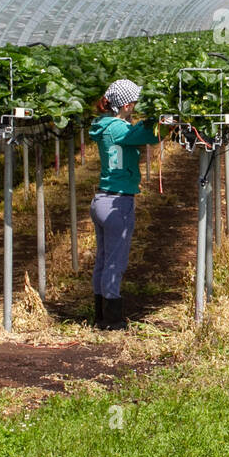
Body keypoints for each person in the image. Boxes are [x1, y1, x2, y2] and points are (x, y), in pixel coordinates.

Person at [87, 78, 166, 330]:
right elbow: (151, 136)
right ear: (128, 104)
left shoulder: (106, 126)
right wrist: (166, 121)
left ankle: (100, 314)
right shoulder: (119, 129)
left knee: (103, 258)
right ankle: (112, 320)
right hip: (117, 203)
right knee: (115, 261)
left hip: (102, 199)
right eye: (135, 102)